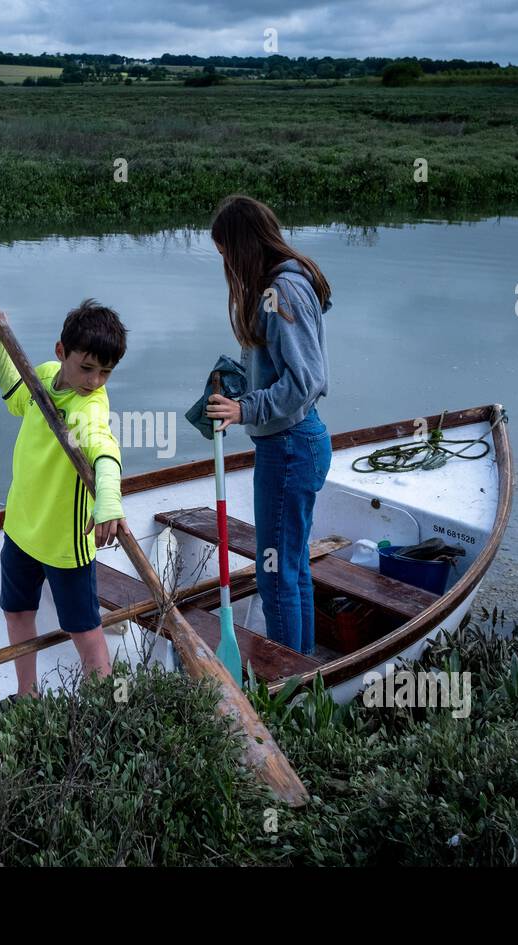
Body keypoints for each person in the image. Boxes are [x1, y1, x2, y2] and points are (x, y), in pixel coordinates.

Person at [0, 299, 130, 697]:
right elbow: (16, 397)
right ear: (61, 352)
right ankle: (27, 697)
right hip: (22, 528)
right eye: (87, 367)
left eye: (106, 373)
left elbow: (105, 450)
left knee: (83, 628)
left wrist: (109, 500)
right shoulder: (44, 375)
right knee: (17, 612)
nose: (95, 380)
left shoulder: (89, 407)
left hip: (65, 542)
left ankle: (102, 708)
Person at [204, 195, 333, 656]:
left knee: (276, 572)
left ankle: (289, 680)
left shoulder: (282, 293)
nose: (226, 266)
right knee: (291, 567)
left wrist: (245, 409)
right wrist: (242, 388)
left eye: (224, 254)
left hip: (290, 447)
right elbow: (280, 369)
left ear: (241, 247)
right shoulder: (280, 287)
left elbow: (306, 380)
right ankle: (303, 670)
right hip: (293, 442)